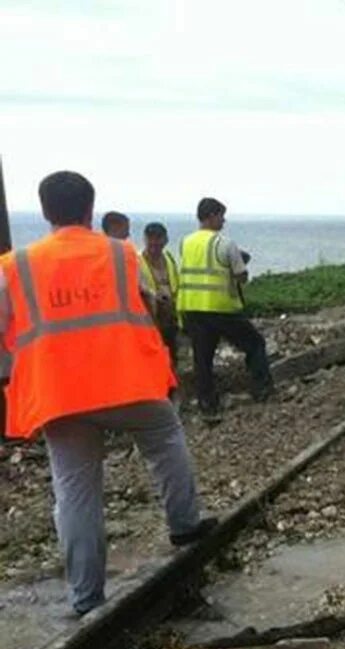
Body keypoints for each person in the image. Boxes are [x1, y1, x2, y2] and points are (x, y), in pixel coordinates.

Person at [0, 171, 215, 616]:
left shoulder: (15, 266)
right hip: (128, 382)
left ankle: (85, 597)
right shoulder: (121, 254)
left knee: (75, 492)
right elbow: (149, 304)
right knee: (166, 440)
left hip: (60, 396)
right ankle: (184, 527)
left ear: (44, 212)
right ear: (89, 209)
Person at [176, 197, 272, 417]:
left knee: (203, 359)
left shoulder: (185, 242)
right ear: (211, 216)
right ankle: (262, 389)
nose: (224, 220)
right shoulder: (225, 244)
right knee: (255, 344)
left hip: (191, 309)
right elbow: (241, 277)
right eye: (221, 215)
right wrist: (240, 264)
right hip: (220, 309)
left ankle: (207, 404)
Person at [139, 222, 180, 372]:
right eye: (151, 240)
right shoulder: (138, 261)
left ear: (165, 240)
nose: (155, 244)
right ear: (145, 240)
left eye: (158, 240)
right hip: (149, 322)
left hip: (170, 319)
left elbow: (176, 282)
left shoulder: (169, 258)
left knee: (172, 361)